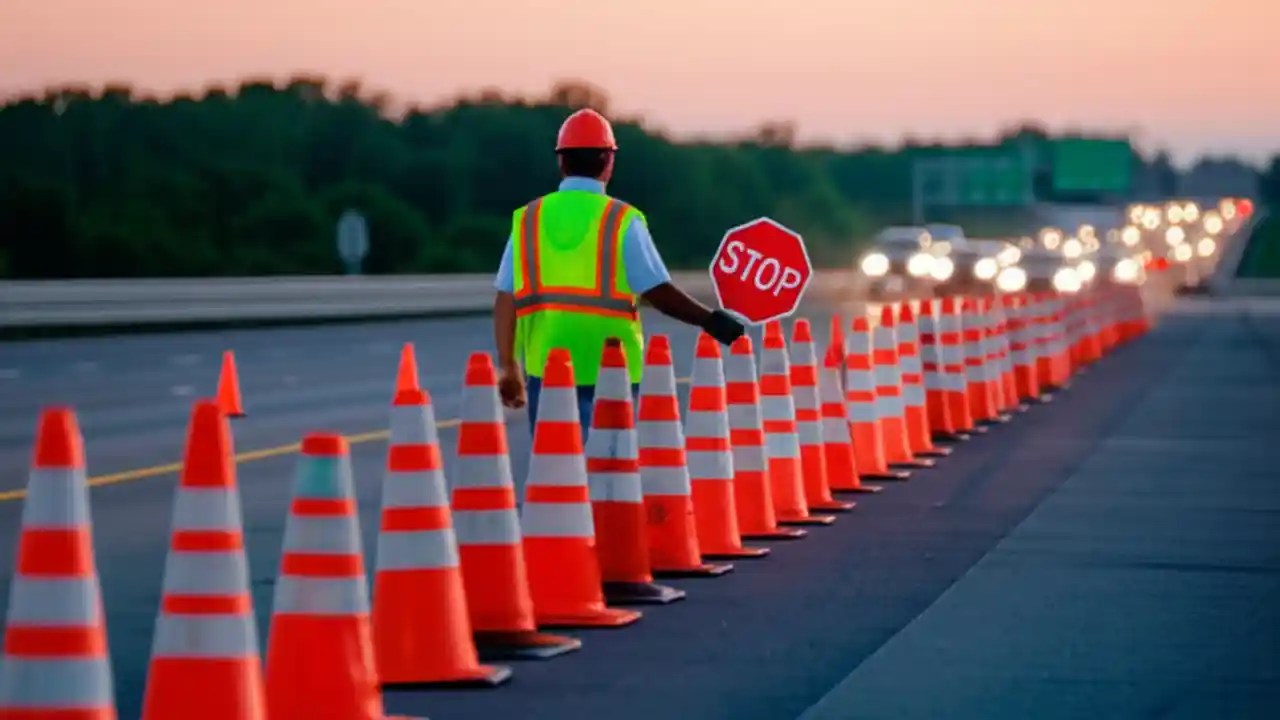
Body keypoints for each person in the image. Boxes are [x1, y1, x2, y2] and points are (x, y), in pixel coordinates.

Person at [492, 108, 746, 434]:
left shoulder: (528, 219)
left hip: (547, 367)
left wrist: (509, 365)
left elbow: (506, 297)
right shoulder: (621, 220)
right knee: (610, 471)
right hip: (612, 369)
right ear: (608, 161)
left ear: (561, 161)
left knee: (555, 470)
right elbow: (658, 291)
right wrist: (712, 321)